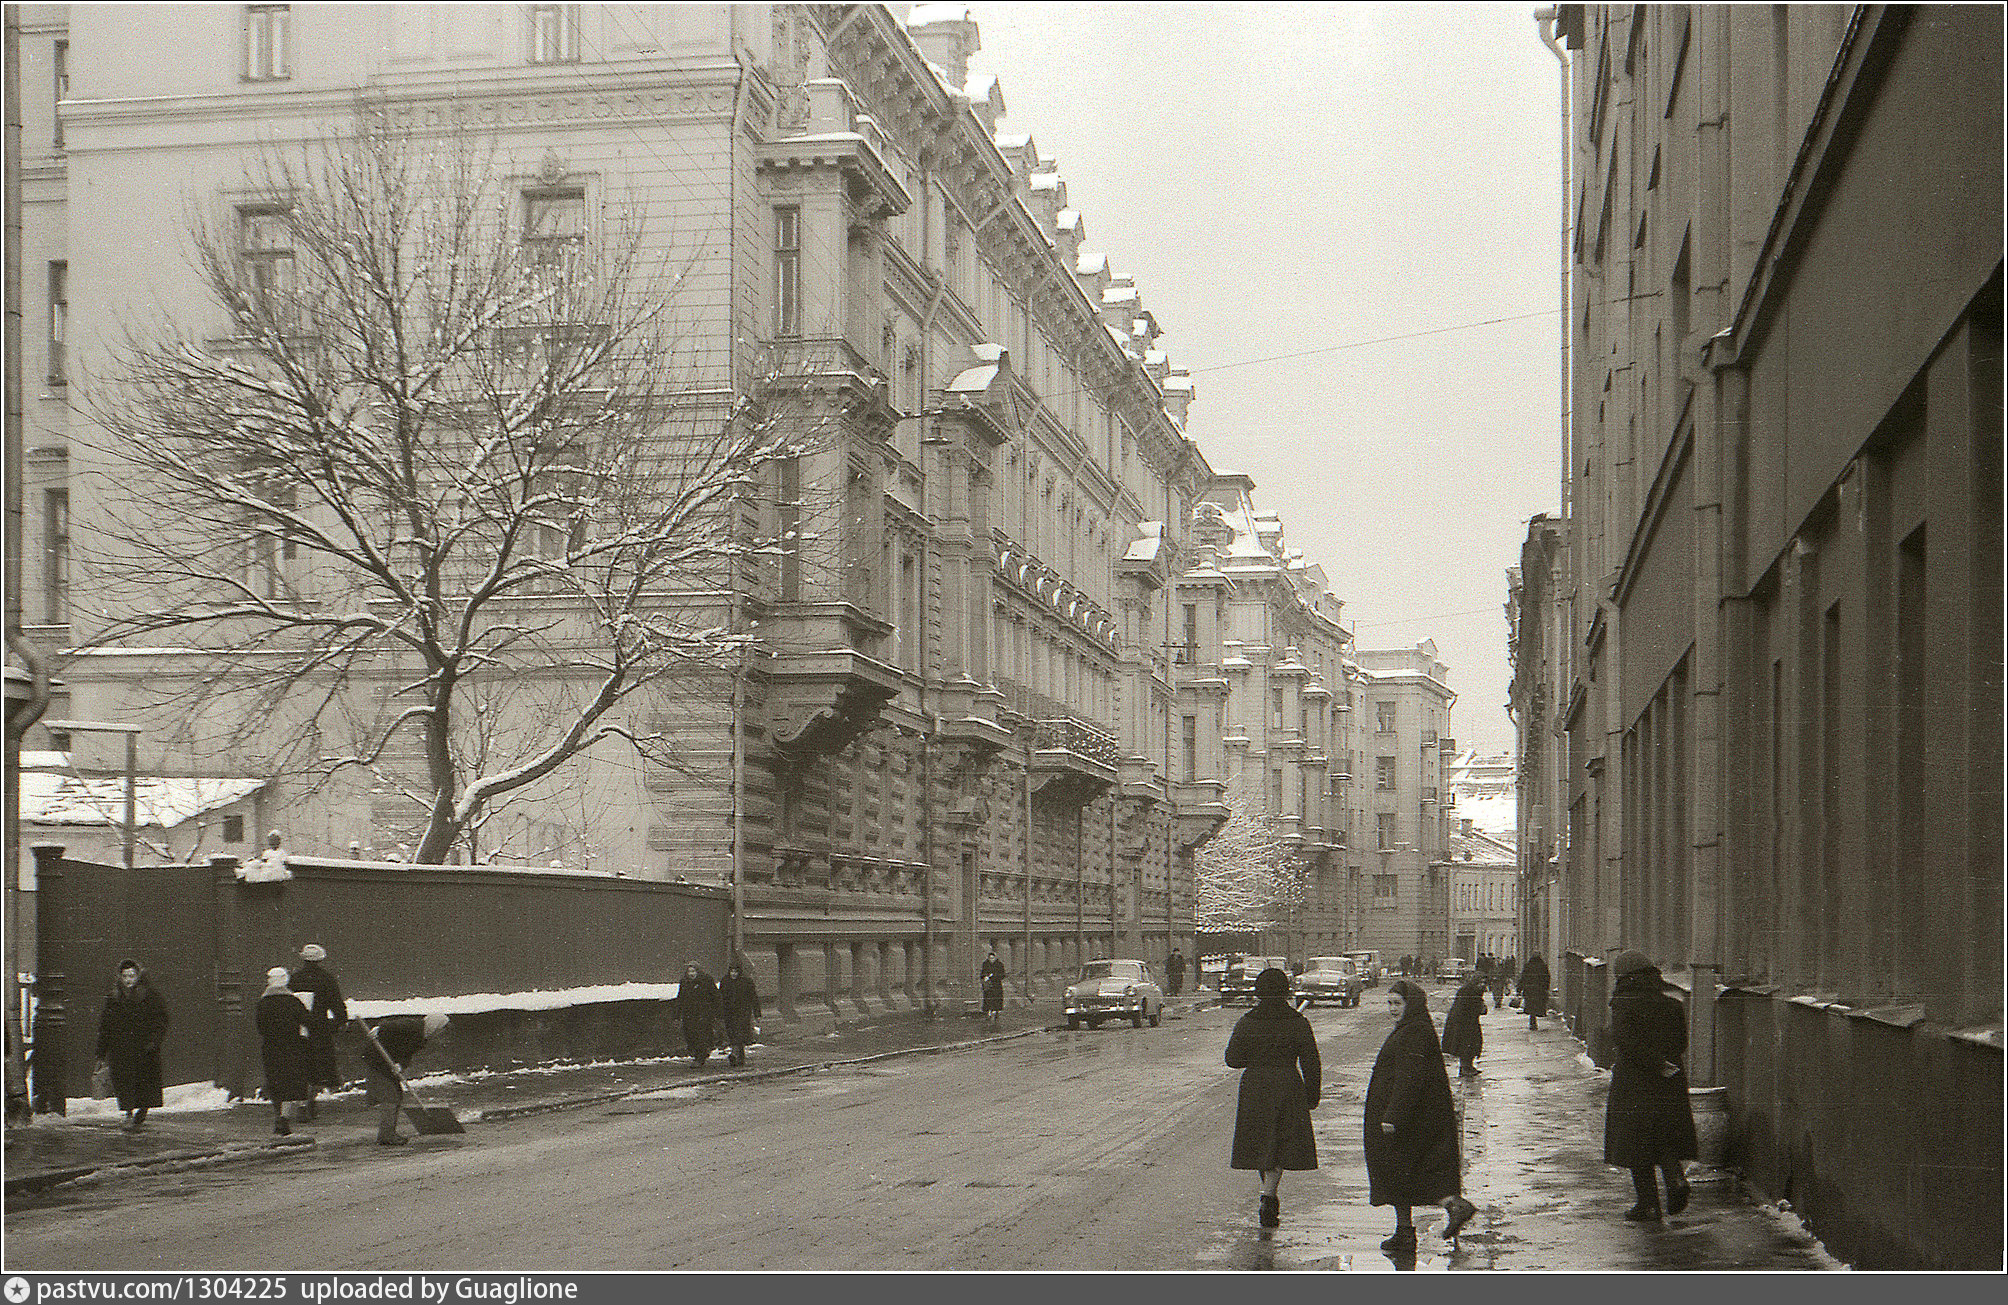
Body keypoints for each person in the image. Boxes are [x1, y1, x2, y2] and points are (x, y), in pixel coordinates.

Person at [1364, 979, 1478, 1254]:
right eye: (1389, 1003)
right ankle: (1405, 1231)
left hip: (1409, 1120)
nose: (1392, 1009)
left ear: (1410, 1005)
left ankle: (1451, 1207)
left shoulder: (1413, 1032)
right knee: (1403, 1175)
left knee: (1405, 1172)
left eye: (1397, 1004)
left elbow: (1410, 1078)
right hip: (1412, 1117)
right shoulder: (1412, 1028)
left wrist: (1393, 1116)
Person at [1604, 950, 1698, 1221]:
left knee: (1636, 1143)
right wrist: (1665, 1064)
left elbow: (1624, 1041)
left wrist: (1652, 1063)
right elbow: (1681, 1043)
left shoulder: (1623, 1002)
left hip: (1635, 1080)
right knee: (1664, 1135)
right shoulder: (1671, 1004)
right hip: (1669, 1079)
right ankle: (1676, 1180)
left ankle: (1649, 1204)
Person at [1225, 968, 1320, 1230]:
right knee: (1278, 1144)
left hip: (1256, 1087)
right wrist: (1312, 1096)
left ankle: (1269, 1195)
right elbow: (1311, 1061)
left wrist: (1255, 1058)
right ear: (1286, 992)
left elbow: (1232, 1059)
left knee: (1262, 1144)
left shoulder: (1247, 1022)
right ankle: (1268, 1197)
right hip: (1288, 1085)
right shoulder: (1297, 1021)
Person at [94, 959, 168, 1132]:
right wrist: (101, 1053)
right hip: (120, 1048)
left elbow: (161, 1020)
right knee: (123, 1082)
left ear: (138, 976)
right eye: (125, 976)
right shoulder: (114, 997)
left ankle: (142, 1111)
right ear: (120, 977)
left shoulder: (149, 995)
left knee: (144, 1083)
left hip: (143, 1048)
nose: (128, 980)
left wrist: (154, 1041)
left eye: (132, 976)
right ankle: (127, 1112)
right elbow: (105, 1026)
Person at [358, 1012, 448, 1145]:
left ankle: (388, 1133)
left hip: (388, 1063)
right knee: (390, 1097)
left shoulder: (422, 1037)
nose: (439, 1034)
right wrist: (379, 1029)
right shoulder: (413, 1026)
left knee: (396, 1096)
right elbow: (390, 1025)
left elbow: (406, 1053)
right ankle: (386, 1136)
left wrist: (401, 1064)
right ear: (435, 1026)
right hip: (377, 1059)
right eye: (440, 1030)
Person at [254, 967, 314, 1135]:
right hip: (292, 1046)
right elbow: (307, 1020)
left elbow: (260, 1027)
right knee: (291, 1082)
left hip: (271, 1047)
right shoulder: (293, 1001)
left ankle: (278, 1116)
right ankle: (286, 1116)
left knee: (276, 1081)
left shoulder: (263, 1003)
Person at [288, 944, 346, 1119]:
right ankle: (310, 1102)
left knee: (300, 1065)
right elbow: (336, 1004)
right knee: (316, 1066)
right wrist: (339, 1022)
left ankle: (300, 1103)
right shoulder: (326, 978)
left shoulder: (294, 978)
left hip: (297, 1027)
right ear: (321, 959)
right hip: (319, 1028)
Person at [1440, 974, 1487, 1077]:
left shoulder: (1472, 991)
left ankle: (1468, 1066)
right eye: (1481, 982)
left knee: (1471, 1044)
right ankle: (1465, 1067)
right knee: (1466, 1044)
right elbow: (1469, 1007)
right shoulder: (1470, 991)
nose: (1482, 985)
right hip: (1463, 1023)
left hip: (1467, 1021)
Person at [675, 964, 721, 1067]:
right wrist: (677, 1014)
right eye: (689, 972)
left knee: (702, 1035)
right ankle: (697, 1054)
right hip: (689, 1014)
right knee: (690, 1035)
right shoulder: (684, 982)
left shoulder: (706, 980)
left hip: (703, 1013)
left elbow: (715, 995)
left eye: (693, 971)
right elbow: (680, 997)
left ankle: (701, 1057)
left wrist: (716, 1011)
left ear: (698, 972)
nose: (691, 974)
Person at [719, 961, 761, 1067]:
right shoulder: (725, 981)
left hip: (742, 1013)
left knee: (739, 1034)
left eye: (735, 972)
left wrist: (757, 1013)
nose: (733, 974)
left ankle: (734, 1054)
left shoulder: (746, 982)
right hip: (729, 1013)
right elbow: (721, 997)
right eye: (731, 971)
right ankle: (740, 1058)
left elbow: (754, 998)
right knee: (733, 1035)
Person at [1519, 953, 1551, 1030]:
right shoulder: (1543, 966)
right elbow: (1547, 977)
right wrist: (1546, 988)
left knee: (1531, 1006)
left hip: (1529, 989)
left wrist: (1519, 988)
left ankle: (1532, 1021)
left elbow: (1523, 977)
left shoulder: (1528, 966)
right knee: (1538, 1004)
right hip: (1539, 989)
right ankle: (1536, 1017)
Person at [979, 950, 1007, 1026]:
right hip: (988, 985)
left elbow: (1002, 974)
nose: (991, 959)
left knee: (996, 998)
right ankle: (989, 1011)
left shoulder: (999, 964)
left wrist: (993, 976)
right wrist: (985, 976)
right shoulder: (985, 964)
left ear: (995, 958)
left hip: (996, 984)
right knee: (988, 997)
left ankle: (996, 1010)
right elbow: (982, 973)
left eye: (992, 958)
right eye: (990, 958)